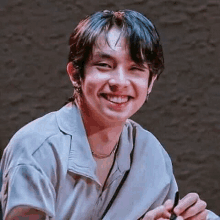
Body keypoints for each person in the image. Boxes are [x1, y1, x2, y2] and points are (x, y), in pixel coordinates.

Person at [0, 9, 219, 220]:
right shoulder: (36, 148)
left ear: (151, 82)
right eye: (105, 65)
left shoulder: (150, 152)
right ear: (76, 74)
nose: (120, 82)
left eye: (136, 69)